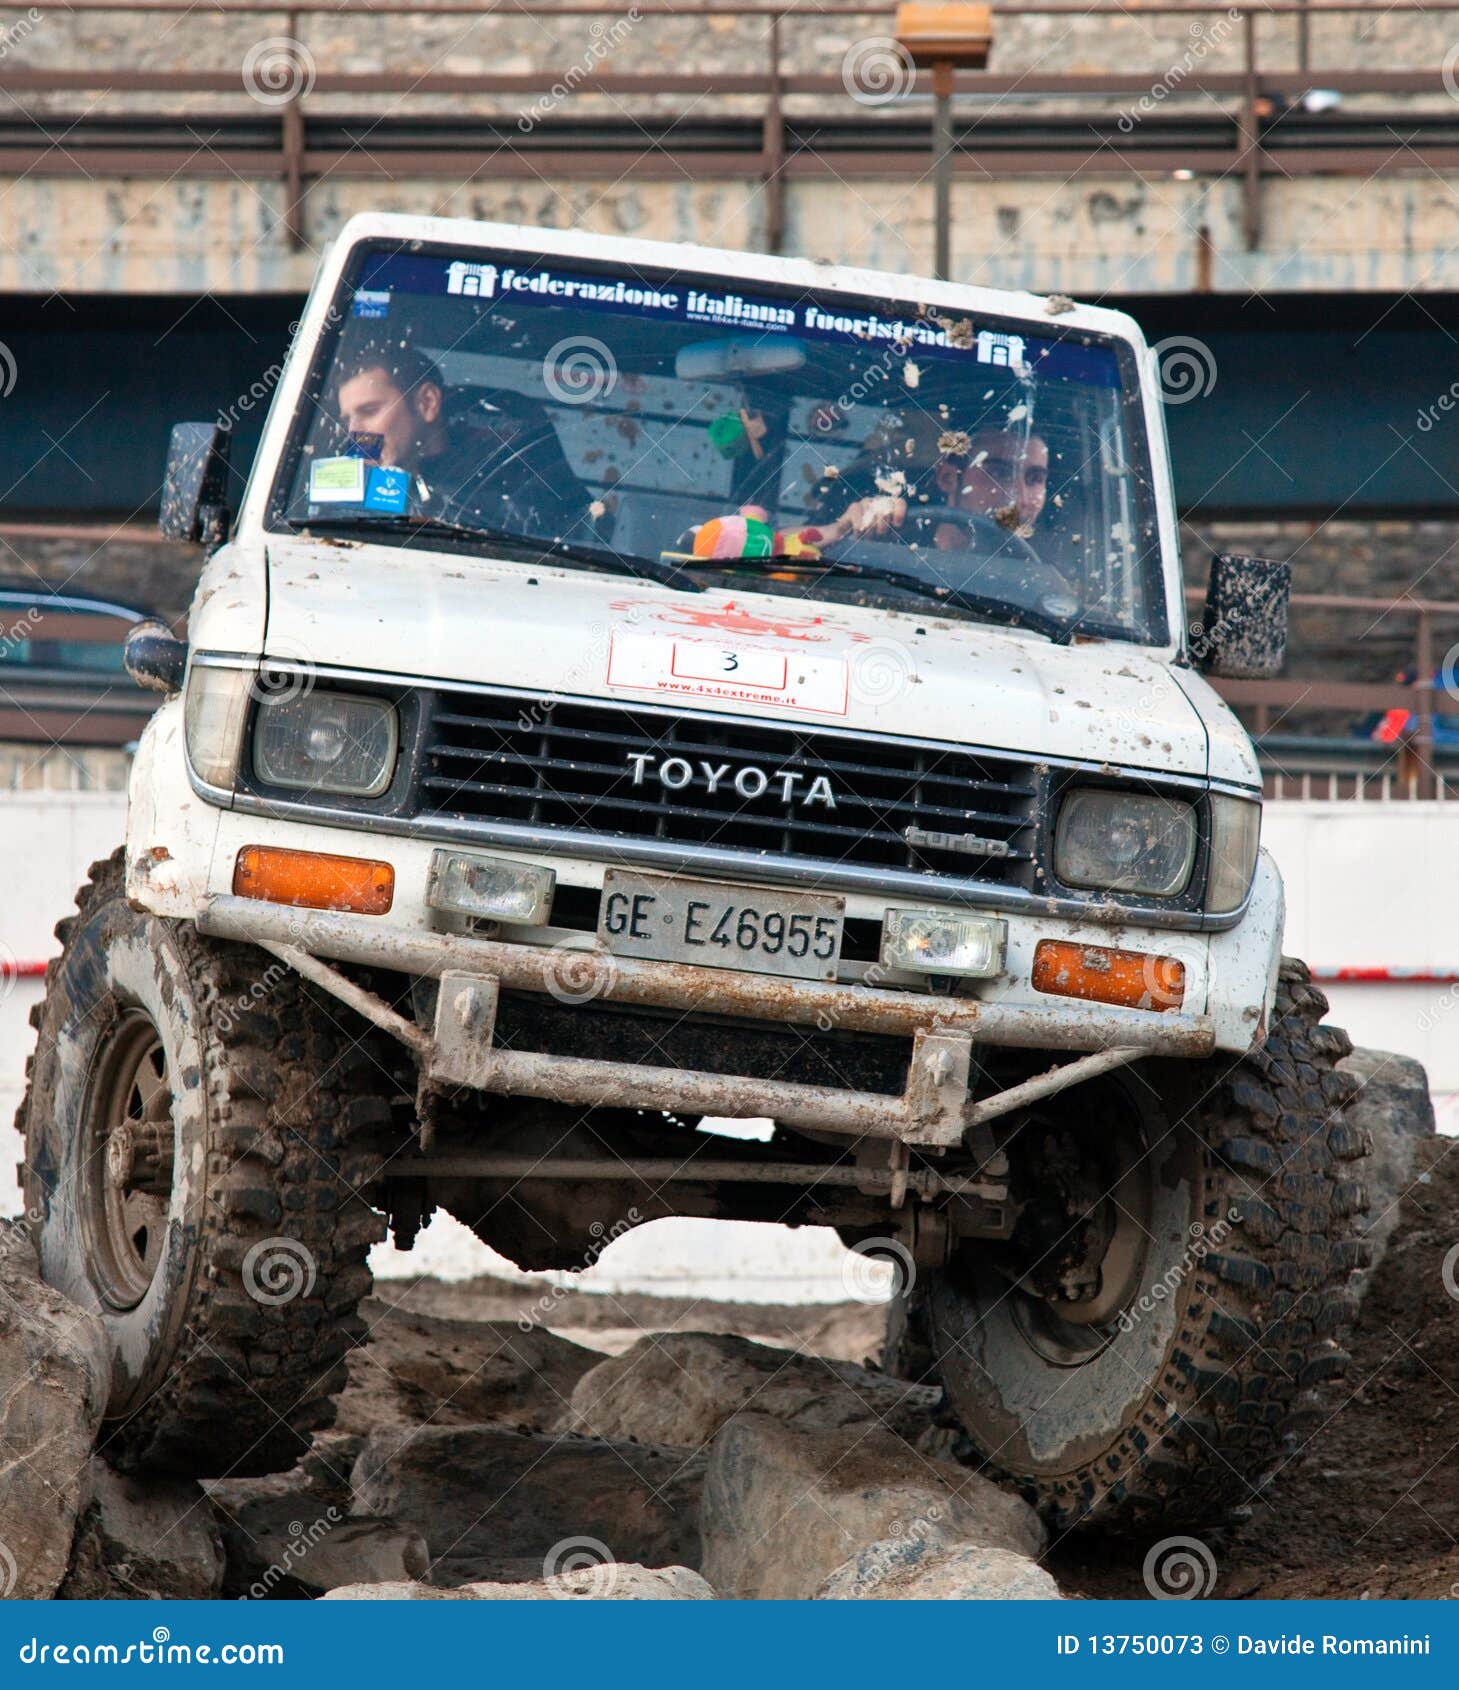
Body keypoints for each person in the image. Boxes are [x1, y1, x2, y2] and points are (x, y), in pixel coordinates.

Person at [330, 342, 582, 540]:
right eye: (347, 420)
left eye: (370, 411)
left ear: (426, 402)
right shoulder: (346, 478)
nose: (355, 432)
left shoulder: (504, 482)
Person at [821, 423, 1049, 551]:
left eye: (1035, 479)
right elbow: (785, 547)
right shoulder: (895, 542)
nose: (1020, 497)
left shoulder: (1063, 572)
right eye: (1000, 473)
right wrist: (841, 531)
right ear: (948, 478)